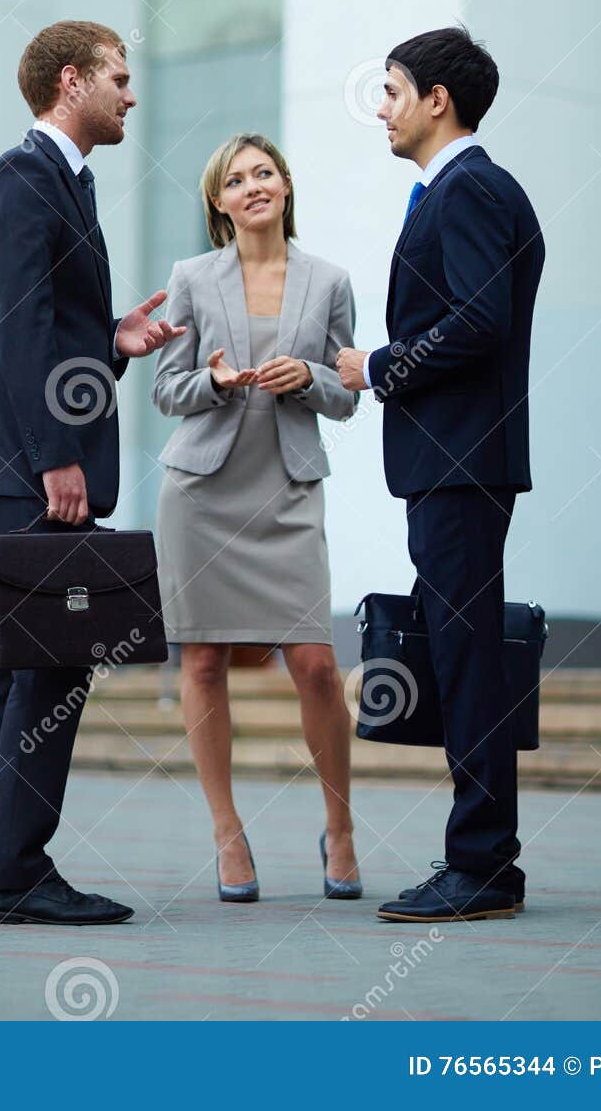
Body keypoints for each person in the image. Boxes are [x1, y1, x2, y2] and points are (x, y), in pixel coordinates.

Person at [0, 21, 185, 926]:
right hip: (30, 461)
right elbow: (16, 335)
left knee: (9, 669)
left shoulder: (59, 183)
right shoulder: (23, 183)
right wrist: (57, 457)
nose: (131, 96)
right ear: (71, 79)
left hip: (20, 456)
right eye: (120, 79)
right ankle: (17, 874)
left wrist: (110, 340)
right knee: (50, 664)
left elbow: (48, 324)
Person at [336, 26, 544, 925]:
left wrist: (376, 368)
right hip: (453, 460)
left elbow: (477, 323)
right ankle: (480, 856)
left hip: (461, 461)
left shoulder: (470, 189)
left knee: (464, 658)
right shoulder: (458, 189)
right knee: (460, 653)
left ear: (436, 101)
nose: (380, 109)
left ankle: (482, 864)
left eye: (390, 90)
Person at [152, 132, 363, 903]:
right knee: (203, 661)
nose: (252, 187)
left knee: (314, 664)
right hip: (201, 490)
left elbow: (345, 394)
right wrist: (211, 381)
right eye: (235, 180)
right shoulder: (190, 278)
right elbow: (164, 389)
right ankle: (226, 832)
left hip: (287, 488)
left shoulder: (330, 280)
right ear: (219, 202)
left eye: (263, 173)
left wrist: (306, 375)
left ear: (284, 185)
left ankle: (338, 828)